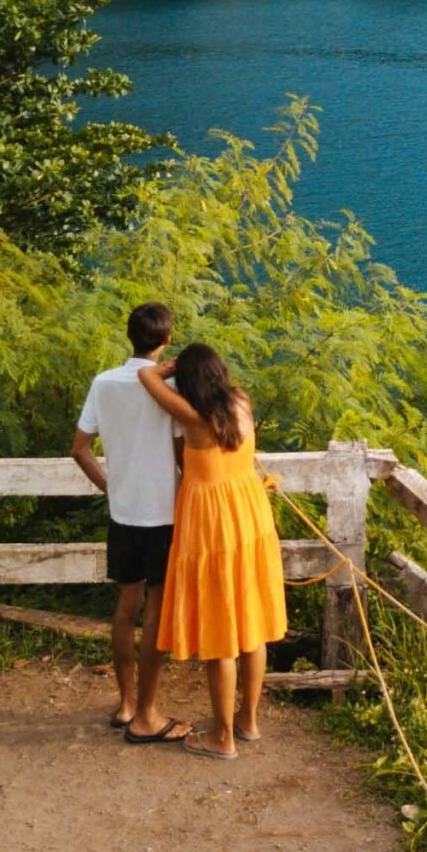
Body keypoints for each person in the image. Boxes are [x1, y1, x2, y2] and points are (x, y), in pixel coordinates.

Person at [137, 344, 287, 760]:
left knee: (220, 633)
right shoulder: (241, 401)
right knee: (250, 625)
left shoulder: (192, 415)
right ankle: (247, 721)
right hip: (250, 518)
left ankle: (222, 739)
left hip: (212, 526)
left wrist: (164, 367)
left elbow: (145, 377)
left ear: (187, 381)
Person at [70, 302, 191, 745]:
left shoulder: (103, 383)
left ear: (129, 335)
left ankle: (125, 703)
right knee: (155, 611)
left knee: (126, 606)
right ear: (167, 340)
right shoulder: (169, 387)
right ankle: (148, 711)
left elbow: (80, 449)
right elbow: (183, 456)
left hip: (123, 512)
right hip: (164, 512)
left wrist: (110, 487)